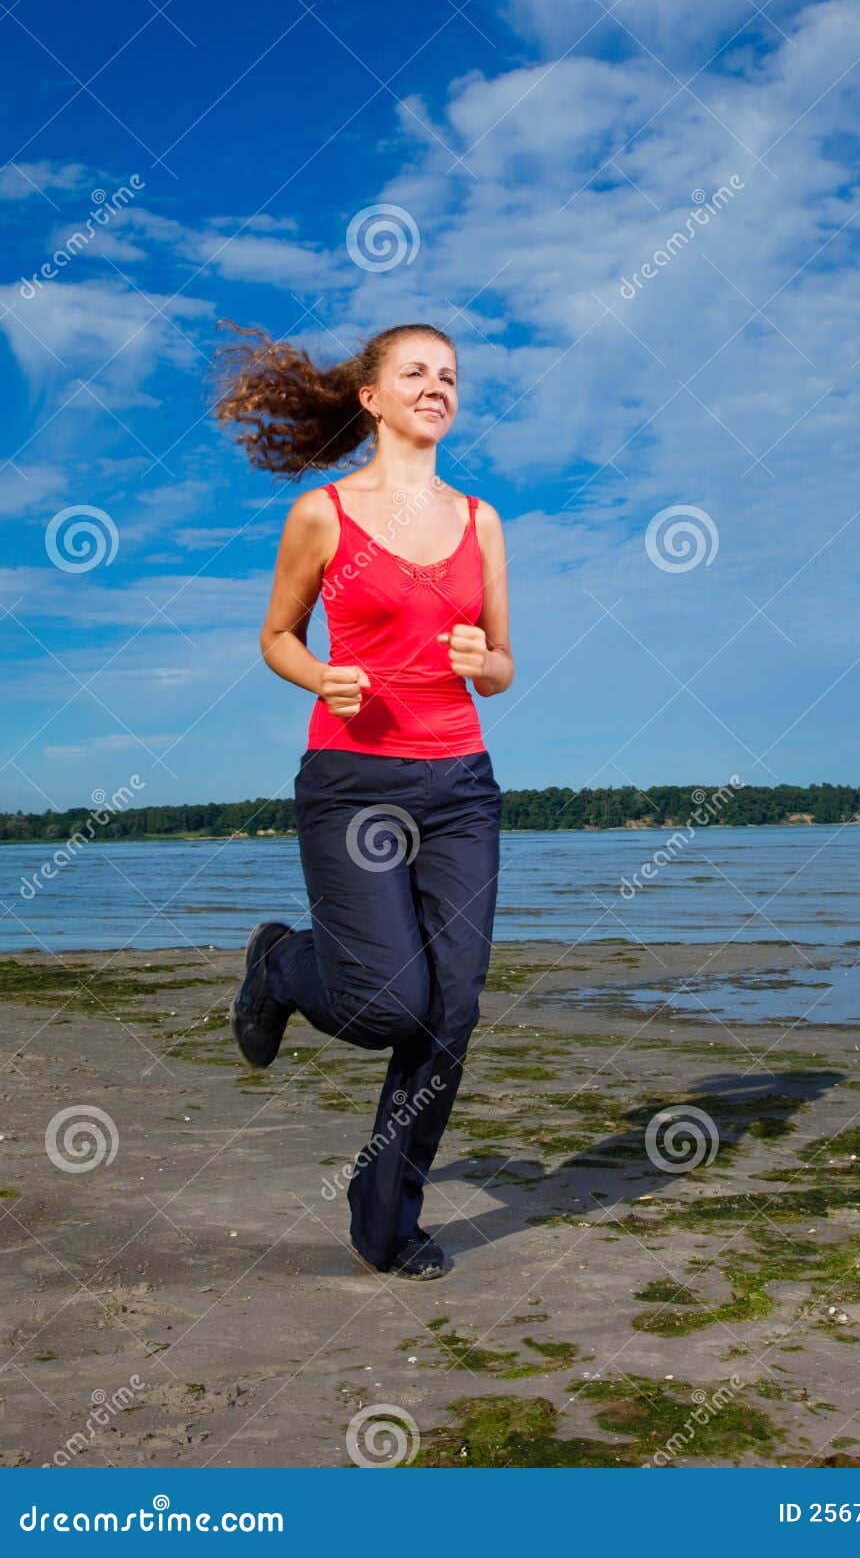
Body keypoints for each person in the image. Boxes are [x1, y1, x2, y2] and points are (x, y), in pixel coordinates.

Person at [213, 321, 513, 1279]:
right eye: (415, 372)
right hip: (355, 783)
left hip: (460, 785)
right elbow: (276, 636)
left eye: (449, 376)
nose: (437, 386)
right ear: (373, 398)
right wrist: (319, 676)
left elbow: (502, 663)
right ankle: (280, 965)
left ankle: (385, 1224)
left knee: (450, 1010)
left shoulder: (481, 521)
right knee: (390, 1002)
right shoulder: (323, 515)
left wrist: (484, 661)